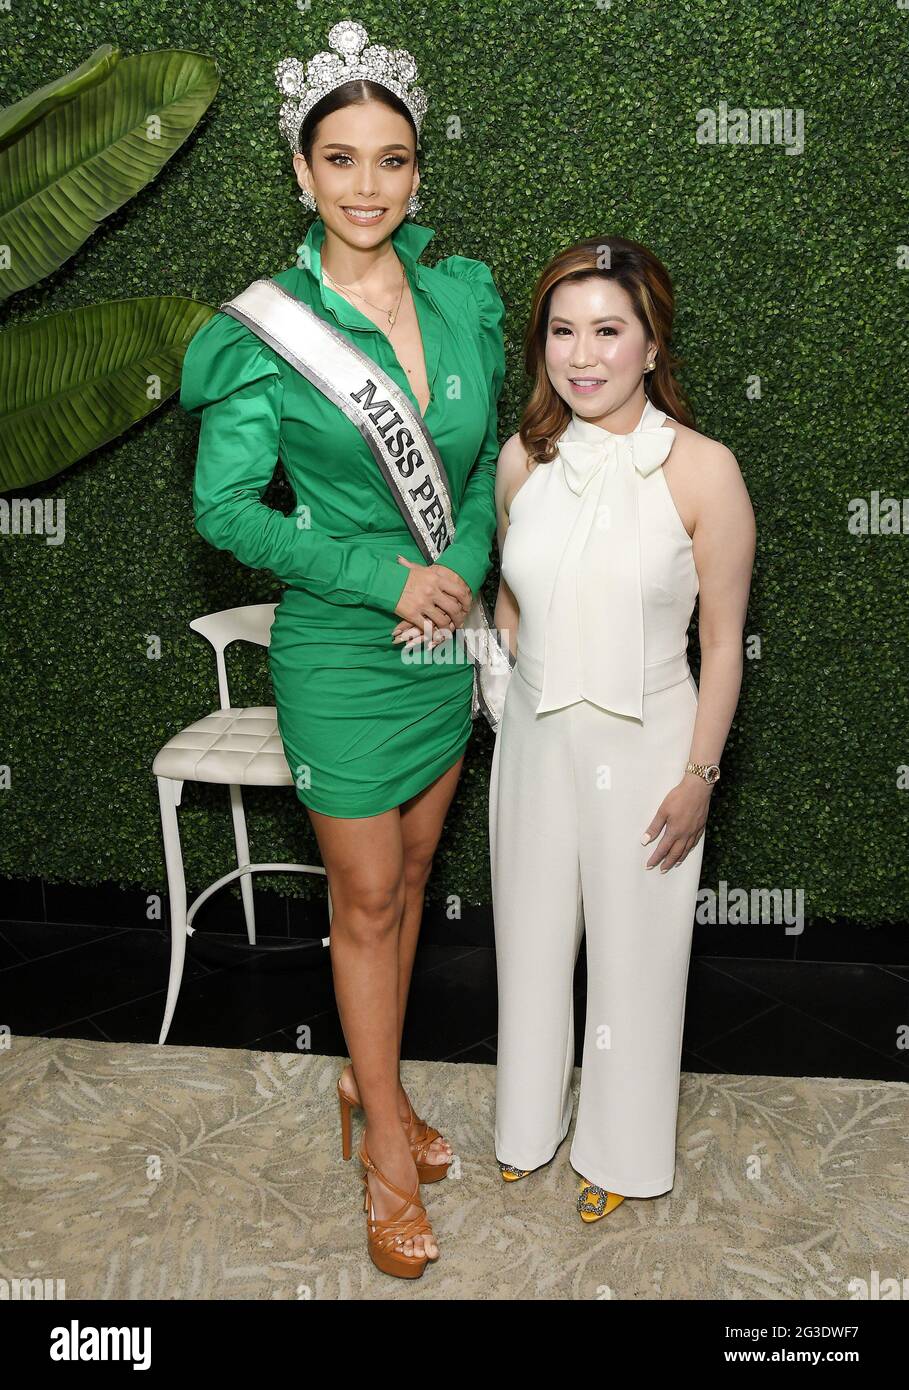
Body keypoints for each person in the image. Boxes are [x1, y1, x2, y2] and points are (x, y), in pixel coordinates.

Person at [180, 19, 506, 1278]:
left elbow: (476, 470)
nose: (368, 185)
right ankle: (379, 1152)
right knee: (366, 897)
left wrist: (462, 567)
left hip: (442, 638)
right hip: (339, 645)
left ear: (418, 170)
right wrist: (386, 574)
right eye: (340, 160)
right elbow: (223, 509)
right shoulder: (267, 334)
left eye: (392, 159)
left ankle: (378, 1086)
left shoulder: (463, 292)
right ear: (301, 174)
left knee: (415, 875)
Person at [490, 235, 755, 1220]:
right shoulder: (524, 458)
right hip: (537, 742)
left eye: (608, 330)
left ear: (652, 345)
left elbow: (724, 645)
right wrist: (516, 658)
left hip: (652, 748)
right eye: (563, 330)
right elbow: (510, 590)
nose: (582, 353)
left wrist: (700, 774)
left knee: (639, 962)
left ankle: (622, 1153)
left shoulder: (705, 471)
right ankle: (528, 1124)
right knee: (528, 940)